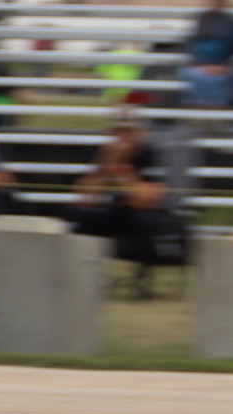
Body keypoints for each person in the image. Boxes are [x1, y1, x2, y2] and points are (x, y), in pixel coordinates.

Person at [67, 113, 188, 294]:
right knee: (75, 214)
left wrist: (123, 170)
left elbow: (148, 200)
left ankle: (143, 281)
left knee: (144, 220)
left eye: (129, 131)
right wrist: (105, 167)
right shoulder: (104, 154)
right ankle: (82, 278)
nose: (123, 137)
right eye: (119, 131)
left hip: (143, 216)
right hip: (113, 213)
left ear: (141, 133)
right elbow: (85, 197)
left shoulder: (149, 155)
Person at [181, 0, 233, 108]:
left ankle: (216, 111)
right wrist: (203, 64)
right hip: (200, 64)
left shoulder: (232, 22)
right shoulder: (198, 20)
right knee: (199, 76)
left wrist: (222, 65)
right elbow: (192, 45)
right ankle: (200, 111)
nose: (215, 2)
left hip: (223, 65)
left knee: (222, 79)